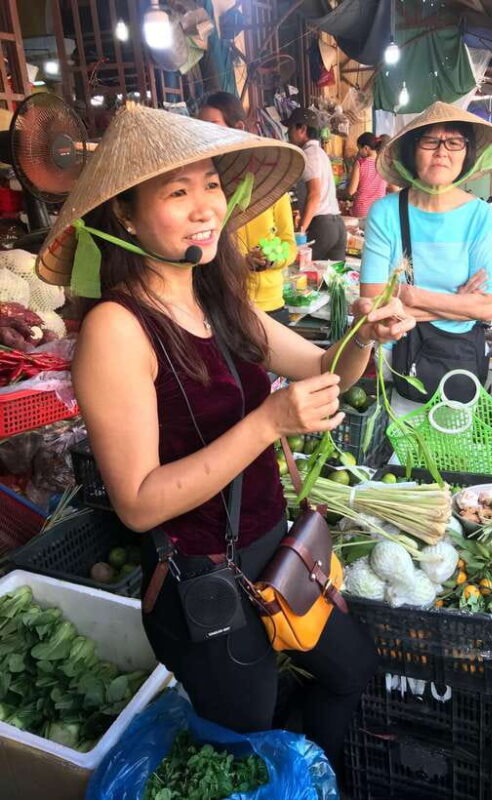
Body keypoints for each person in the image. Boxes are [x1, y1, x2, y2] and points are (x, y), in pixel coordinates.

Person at [35, 103, 414, 773]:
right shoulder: (117, 332)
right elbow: (140, 502)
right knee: (244, 742)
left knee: (348, 671)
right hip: (202, 581)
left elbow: (325, 367)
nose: (205, 205)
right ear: (124, 214)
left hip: (276, 551)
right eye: (177, 191)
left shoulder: (220, 302)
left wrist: (366, 338)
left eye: (210, 183)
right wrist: (268, 422)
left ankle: (311, 783)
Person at [360, 101, 492, 412]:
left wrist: (408, 295)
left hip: (459, 360)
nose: (442, 151)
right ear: (413, 151)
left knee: (452, 455)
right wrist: (458, 305)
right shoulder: (385, 212)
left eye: (454, 141)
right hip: (397, 358)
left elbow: (486, 307)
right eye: (430, 141)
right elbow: (374, 304)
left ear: (466, 151)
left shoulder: (479, 215)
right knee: (397, 453)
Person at [196, 92, 296, 324]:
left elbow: (289, 243)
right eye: (199, 127)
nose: (204, 134)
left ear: (238, 127)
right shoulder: (206, 189)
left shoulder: (268, 183)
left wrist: (272, 259)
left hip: (270, 304)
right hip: (226, 304)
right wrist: (240, 263)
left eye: (212, 126)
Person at [284, 107, 347, 261]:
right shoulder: (321, 154)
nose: (288, 135)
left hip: (321, 227)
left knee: (303, 275)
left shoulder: (308, 155)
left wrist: (301, 230)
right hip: (337, 225)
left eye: (290, 129)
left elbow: (314, 194)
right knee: (334, 280)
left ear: (302, 129)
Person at [347, 132, 386, 218]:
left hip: (361, 211)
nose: (358, 152)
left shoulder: (360, 164)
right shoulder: (384, 165)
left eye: (359, 148)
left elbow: (351, 191)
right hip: (380, 212)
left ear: (366, 148)